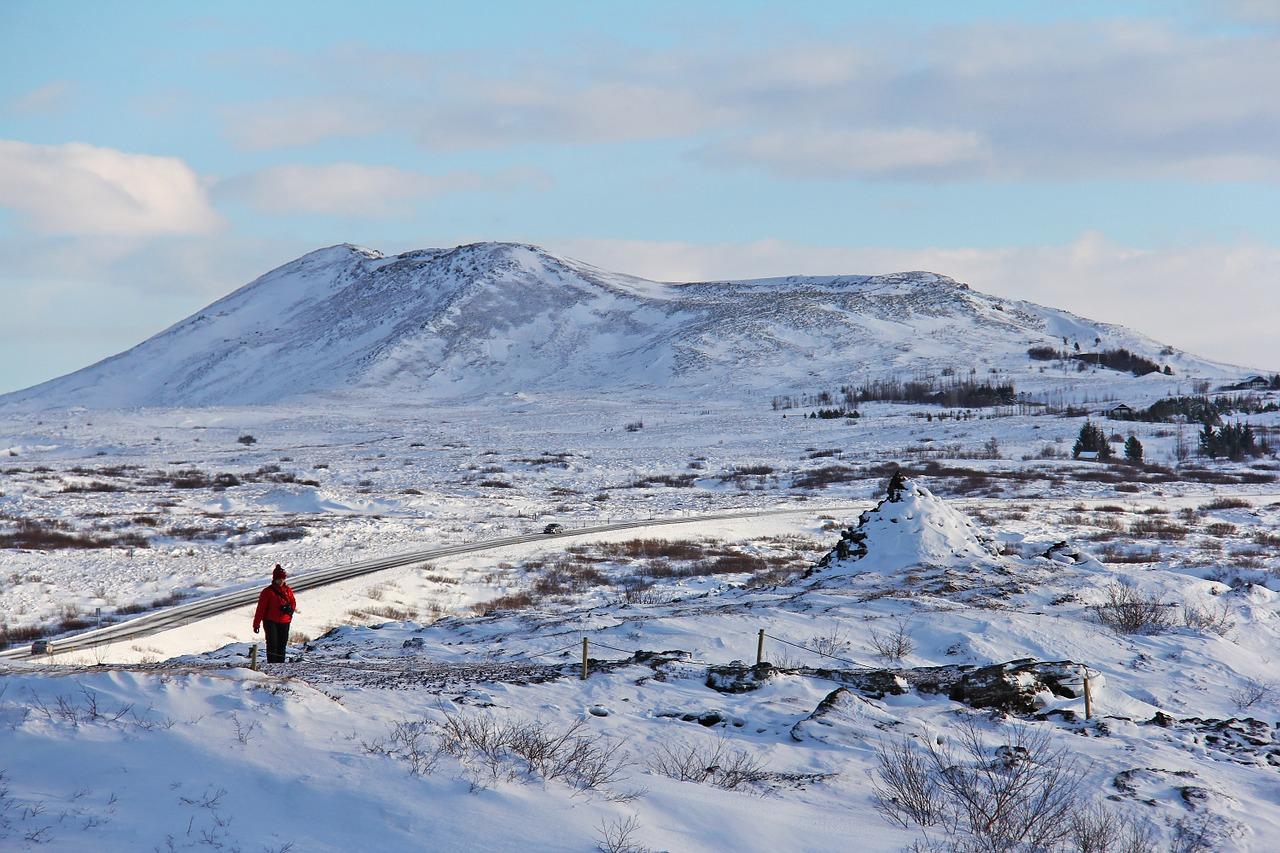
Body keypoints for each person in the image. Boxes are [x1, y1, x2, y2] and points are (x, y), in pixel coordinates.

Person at [253, 564, 298, 663]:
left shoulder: (288, 591)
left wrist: (290, 609)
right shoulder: (267, 592)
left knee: (282, 645)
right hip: (270, 621)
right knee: (272, 644)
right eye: (279, 579)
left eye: (283, 578)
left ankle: (280, 665)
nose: (281, 581)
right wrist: (256, 624)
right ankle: (272, 665)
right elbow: (260, 609)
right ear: (274, 579)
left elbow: (293, 602)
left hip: (285, 621)